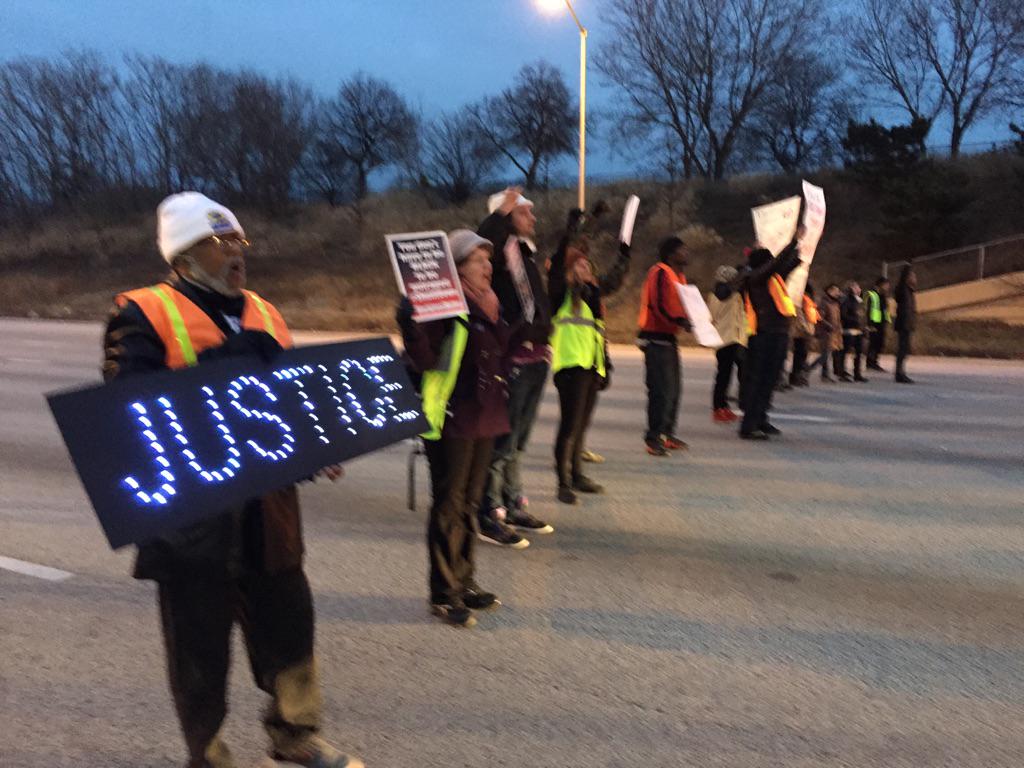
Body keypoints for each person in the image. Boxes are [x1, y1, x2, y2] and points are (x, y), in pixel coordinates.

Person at [103, 192, 362, 768]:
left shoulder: (266, 313)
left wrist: (315, 448)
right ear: (184, 255)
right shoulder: (142, 313)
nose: (236, 253)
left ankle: (295, 733)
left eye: (238, 240)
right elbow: (127, 408)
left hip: (268, 516)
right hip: (193, 525)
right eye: (220, 243)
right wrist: (228, 361)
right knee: (199, 654)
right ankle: (209, 753)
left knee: (290, 630)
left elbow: (287, 405)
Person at [398, 229, 511, 626]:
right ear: (458, 267)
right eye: (479, 260)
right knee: (449, 505)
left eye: (489, 259)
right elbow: (425, 359)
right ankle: (444, 592)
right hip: (451, 417)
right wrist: (410, 325)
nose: (488, 266)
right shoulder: (442, 305)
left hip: (485, 416)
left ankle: (465, 581)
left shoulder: (491, 304)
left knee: (469, 504)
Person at [475, 187, 553, 548]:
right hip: (513, 358)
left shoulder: (524, 253)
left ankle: (513, 500)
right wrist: (502, 213)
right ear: (506, 216)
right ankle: (489, 509)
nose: (532, 218)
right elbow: (483, 238)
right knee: (502, 439)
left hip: (536, 356)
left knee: (519, 440)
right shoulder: (497, 251)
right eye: (524, 212)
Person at [548, 211, 631, 504]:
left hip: (591, 367)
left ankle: (578, 474)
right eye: (580, 264)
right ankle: (563, 482)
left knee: (581, 425)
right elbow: (557, 266)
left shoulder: (593, 296)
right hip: (570, 366)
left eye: (588, 264)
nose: (585, 265)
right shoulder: (560, 293)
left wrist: (624, 256)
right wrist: (569, 234)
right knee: (569, 426)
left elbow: (613, 283)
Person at [738, 238, 801, 440]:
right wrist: (792, 242)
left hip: (778, 333)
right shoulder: (754, 278)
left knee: (770, 379)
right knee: (758, 379)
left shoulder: (772, 279)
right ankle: (749, 425)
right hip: (764, 335)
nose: (773, 264)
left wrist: (800, 250)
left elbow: (787, 266)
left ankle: (761, 419)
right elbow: (776, 264)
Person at [637, 236, 693, 456]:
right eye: (683, 249)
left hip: (669, 339)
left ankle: (667, 433)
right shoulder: (660, 272)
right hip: (655, 339)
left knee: (673, 391)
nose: (686, 253)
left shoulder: (678, 276)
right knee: (660, 391)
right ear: (671, 254)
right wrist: (680, 321)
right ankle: (653, 438)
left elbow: (682, 305)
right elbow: (659, 305)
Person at [707, 264, 747, 422]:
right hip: (733, 338)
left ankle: (721, 407)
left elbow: (712, 316)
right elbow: (739, 317)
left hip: (721, 338)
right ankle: (719, 407)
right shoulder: (735, 295)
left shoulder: (713, 295)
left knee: (723, 375)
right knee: (727, 375)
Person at [808, 283, 843, 382]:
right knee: (825, 355)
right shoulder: (824, 303)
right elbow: (820, 317)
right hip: (826, 332)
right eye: (835, 290)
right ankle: (808, 369)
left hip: (834, 332)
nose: (837, 293)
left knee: (827, 354)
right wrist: (828, 326)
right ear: (829, 291)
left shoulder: (835, 303)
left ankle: (825, 375)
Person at [789, 283, 819, 387]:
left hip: (806, 331)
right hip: (801, 332)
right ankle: (795, 376)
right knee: (800, 355)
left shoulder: (808, 301)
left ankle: (798, 376)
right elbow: (800, 316)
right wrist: (807, 328)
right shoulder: (801, 300)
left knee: (802, 355)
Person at [840, 281, 868, 383]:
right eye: (856, 287)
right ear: (851, 288)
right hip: (849, 330)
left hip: (859, 330)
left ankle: (857, 373)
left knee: (859, 353)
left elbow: (863, 315)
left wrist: (864, 326)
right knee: (845, 351)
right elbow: (844, 315)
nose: (859, 289)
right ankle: (842, 372)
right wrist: (855, 320)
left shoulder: (859, 301)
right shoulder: (847, 300)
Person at [894, 264, 917, 383]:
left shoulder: (909, 291)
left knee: (905, 349)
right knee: (902, 349)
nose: (915, 278)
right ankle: (899, 373)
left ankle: (901, 372)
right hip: (904, 324)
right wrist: (907, 268)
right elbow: (905, 310)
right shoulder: (903, 290)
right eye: (912, 276)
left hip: (907, 323)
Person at [865, 276, 892, 372]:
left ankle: (874, 361)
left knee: (879, 343)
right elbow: (869, 311)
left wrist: (887, 320)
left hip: (881, 323)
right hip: (874, 323)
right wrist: (870, 324)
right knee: (873, 343)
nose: (888, 287)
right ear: (881, 285)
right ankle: (870, 362)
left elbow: (885, 309)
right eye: (886, 285)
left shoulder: (882, 295)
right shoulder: (873, 295)